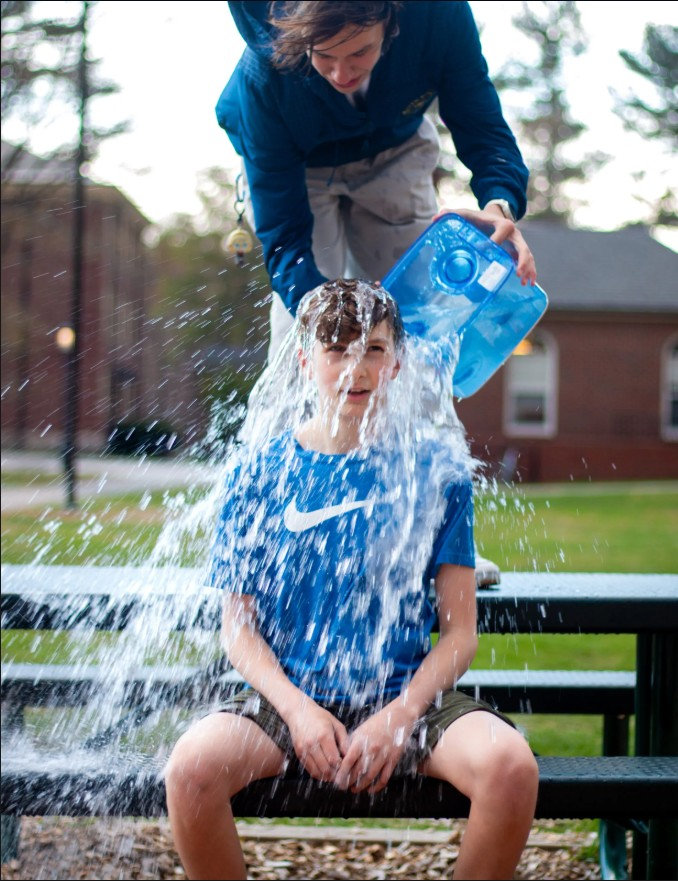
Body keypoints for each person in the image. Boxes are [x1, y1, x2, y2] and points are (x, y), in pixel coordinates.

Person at [164, 279, 539, 880]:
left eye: (375, 349)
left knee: (511, 768)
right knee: (190, 770)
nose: (356, 368)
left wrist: (401, 715)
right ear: (304, 359)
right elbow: (238, 631)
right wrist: (296, 712)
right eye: (338, 350)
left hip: (408, 697)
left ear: (396, 362)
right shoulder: (257, 474)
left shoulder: (437, 475)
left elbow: (459, 633)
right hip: (288, 700)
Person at [216, 0, 537, 358]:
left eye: (359, 52)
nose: (341, 74)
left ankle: (417, 409)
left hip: (395, 147)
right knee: (306, 322)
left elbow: (478, 116)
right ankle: (297, 406)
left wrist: (500, 203)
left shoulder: (438, 14)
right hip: (298, 165)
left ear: (391, 21)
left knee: (414, 311)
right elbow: (285, 238)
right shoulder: (262, 77)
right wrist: (321, 310)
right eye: (323, 56)